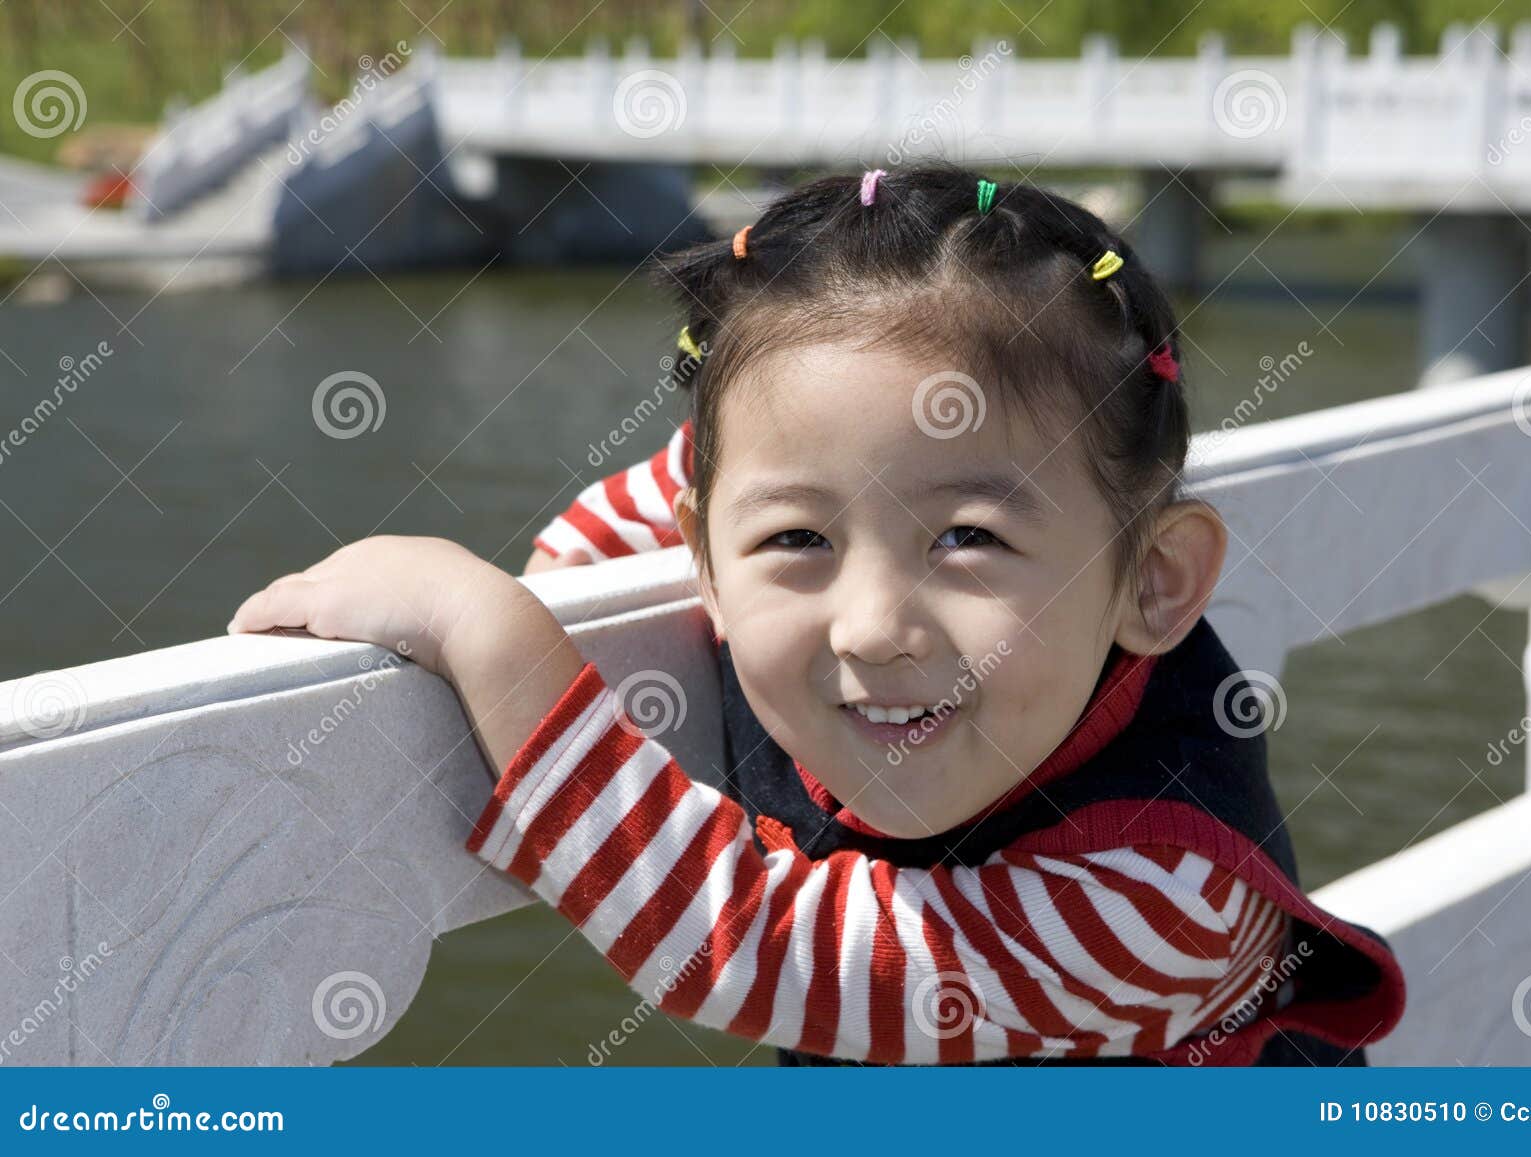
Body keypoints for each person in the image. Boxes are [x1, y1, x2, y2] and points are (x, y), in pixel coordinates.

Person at [230, 164, 1405, 1066]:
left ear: (1153, 580)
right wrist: (577, 572)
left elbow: (758, 944)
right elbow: (685, 487)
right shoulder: (760, 530)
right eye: (800, 539)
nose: (871, 625)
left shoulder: (1160, 898)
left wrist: (484, 626)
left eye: (970, 539)